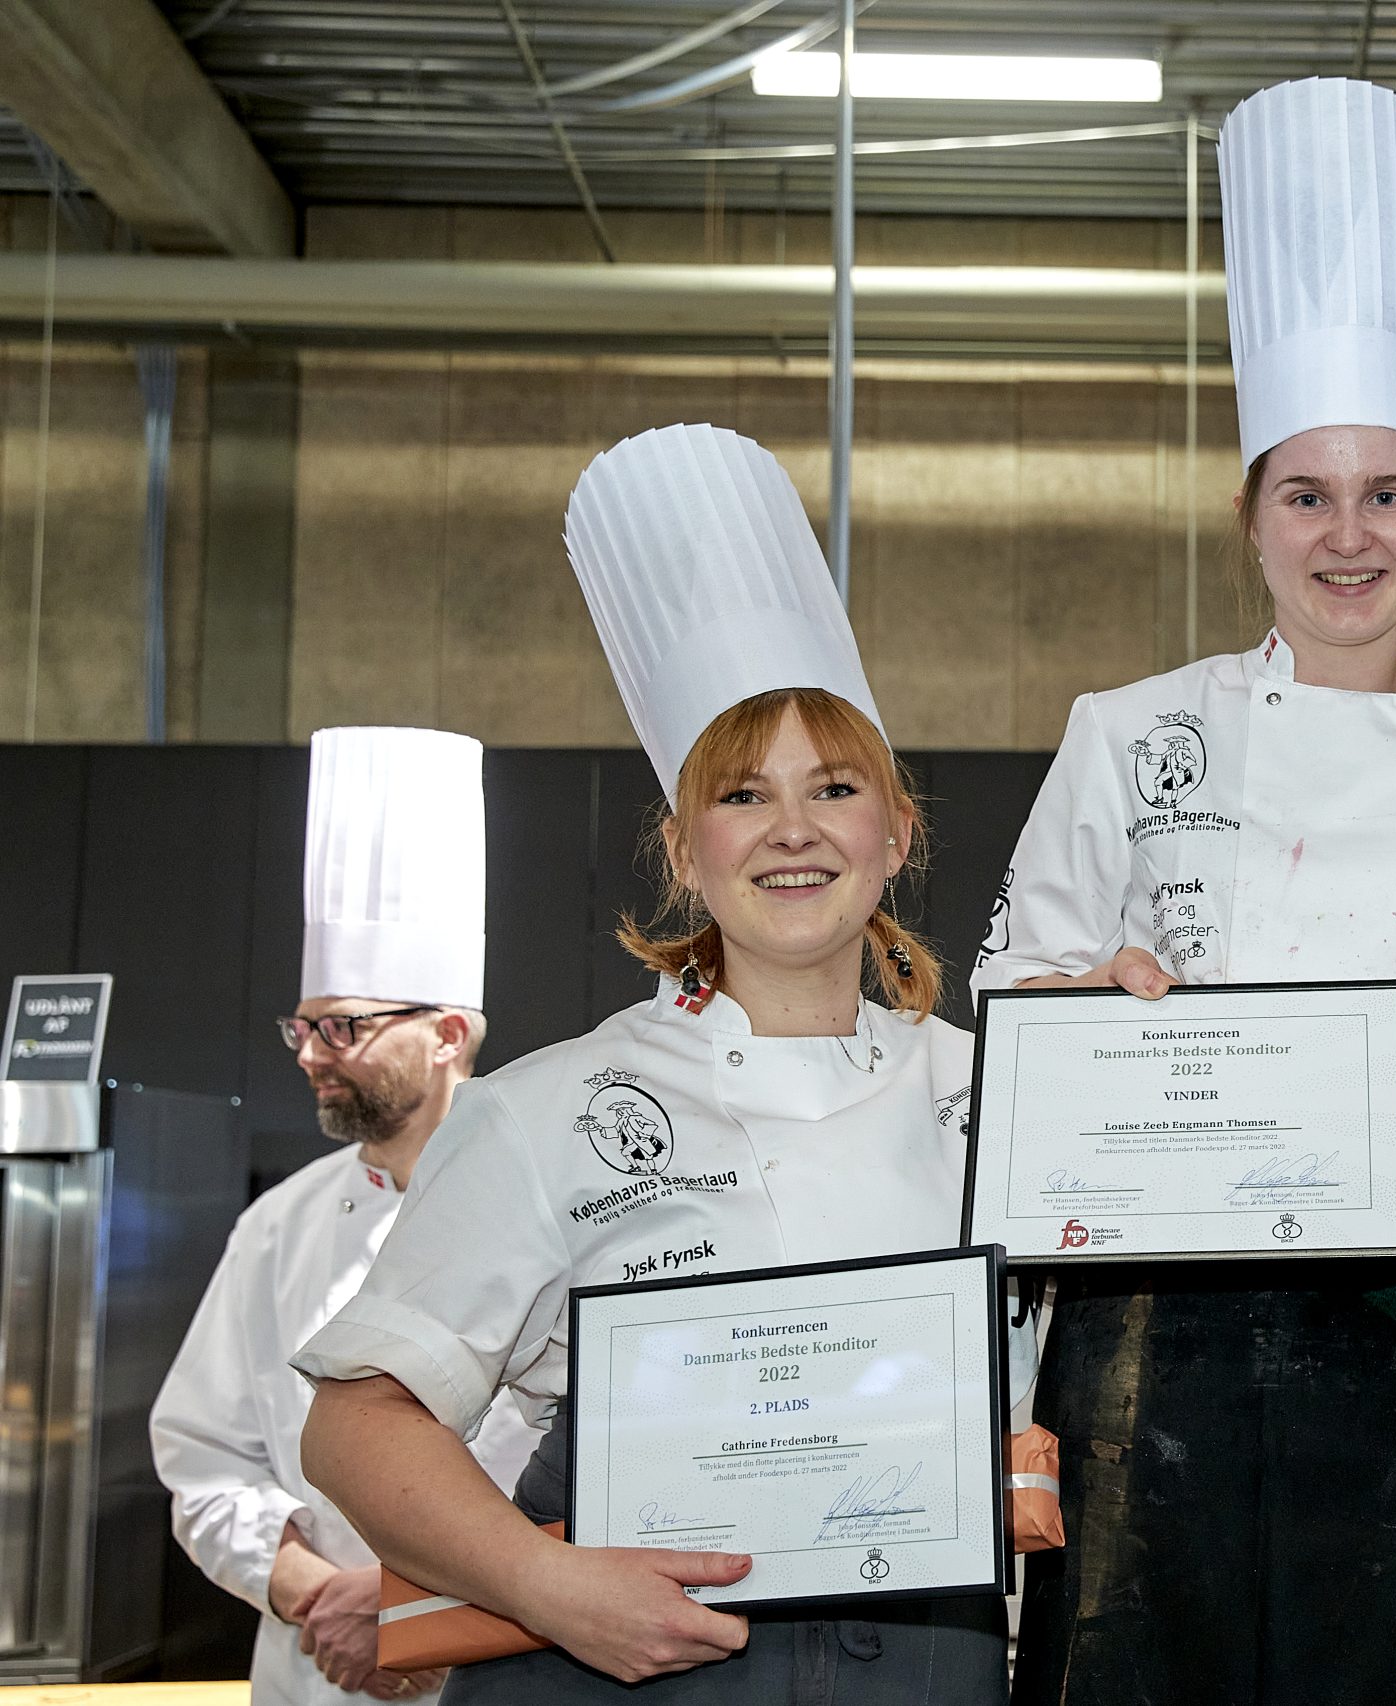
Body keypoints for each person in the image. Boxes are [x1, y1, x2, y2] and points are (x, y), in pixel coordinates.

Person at [982, 76, 1396, 1706]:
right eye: (1304, 495)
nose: (1347, 536)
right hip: (1149, 1302)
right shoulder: (1132, 732)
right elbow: (1009, 1003)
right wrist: (1083, 1005)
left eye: (1384, 493)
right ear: (1250, 517)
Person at [292, 424, 1008, 1703]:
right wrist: (547, 1583)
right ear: (684, 848)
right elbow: (355, 1422)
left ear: (896, 833)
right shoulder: (549, 1106)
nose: (790, 830)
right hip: (614, 1655)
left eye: (834, 786)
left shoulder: (1002, 1095)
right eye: (740, 795)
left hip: (922, 1652)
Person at [154, 727, 539, 1705]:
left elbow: (579, 1470)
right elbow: (204, 1462)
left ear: (447, 1032)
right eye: (304, 1023)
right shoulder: (278, 1227)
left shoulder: (555, 1213)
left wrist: (411, 1601)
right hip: (314, 1674)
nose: (309, 1051)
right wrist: (315, 1594)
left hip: (504, 1665)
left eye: (345, 1026)